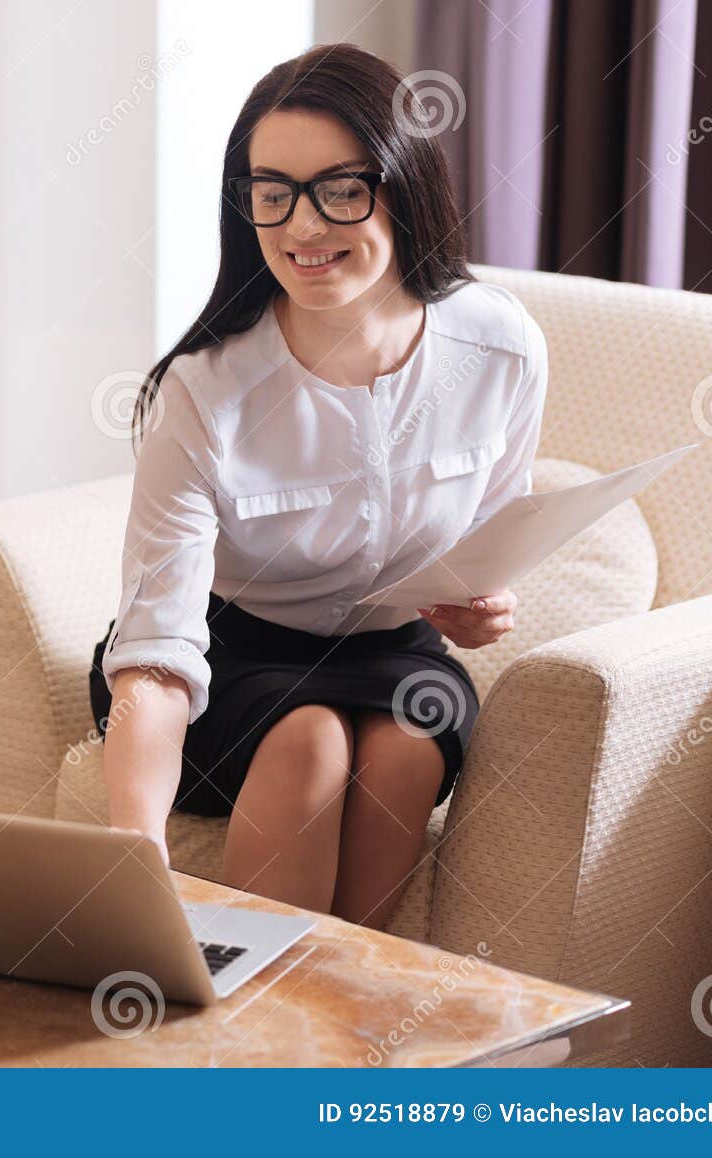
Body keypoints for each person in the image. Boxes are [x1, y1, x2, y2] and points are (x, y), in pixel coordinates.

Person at [89, 43, 547, 929]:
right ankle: (253, 1038)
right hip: (234, 651)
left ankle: (344, 1030)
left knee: (411, 746)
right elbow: (156, 646)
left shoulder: (502, 347)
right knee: (309, 741)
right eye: (273, 193)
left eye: (341, 189)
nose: (302, 227)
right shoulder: (205, 392)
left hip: (394, 648)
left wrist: (486, 609)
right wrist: (132, 856)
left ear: (405, 188)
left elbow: (493, 539)